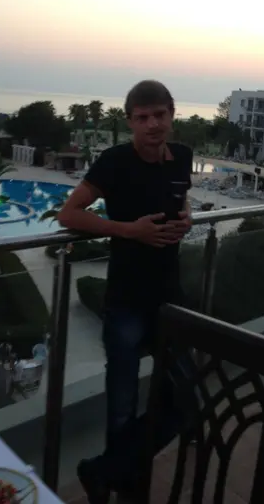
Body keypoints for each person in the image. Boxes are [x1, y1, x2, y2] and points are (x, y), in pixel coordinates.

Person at [58, 80, 193, 503]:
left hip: (169, 296)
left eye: (159, 115)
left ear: (172, 114)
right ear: (130, 121)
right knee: (122, 404)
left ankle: (104, 470)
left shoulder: (182, 156)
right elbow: (69, 214)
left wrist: (186, 218)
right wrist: (129, 230)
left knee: (184, 396)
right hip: (127, 301)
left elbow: (181, 200)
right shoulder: (114, 162)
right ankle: (126, 483)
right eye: (142, 117)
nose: (152, 124)